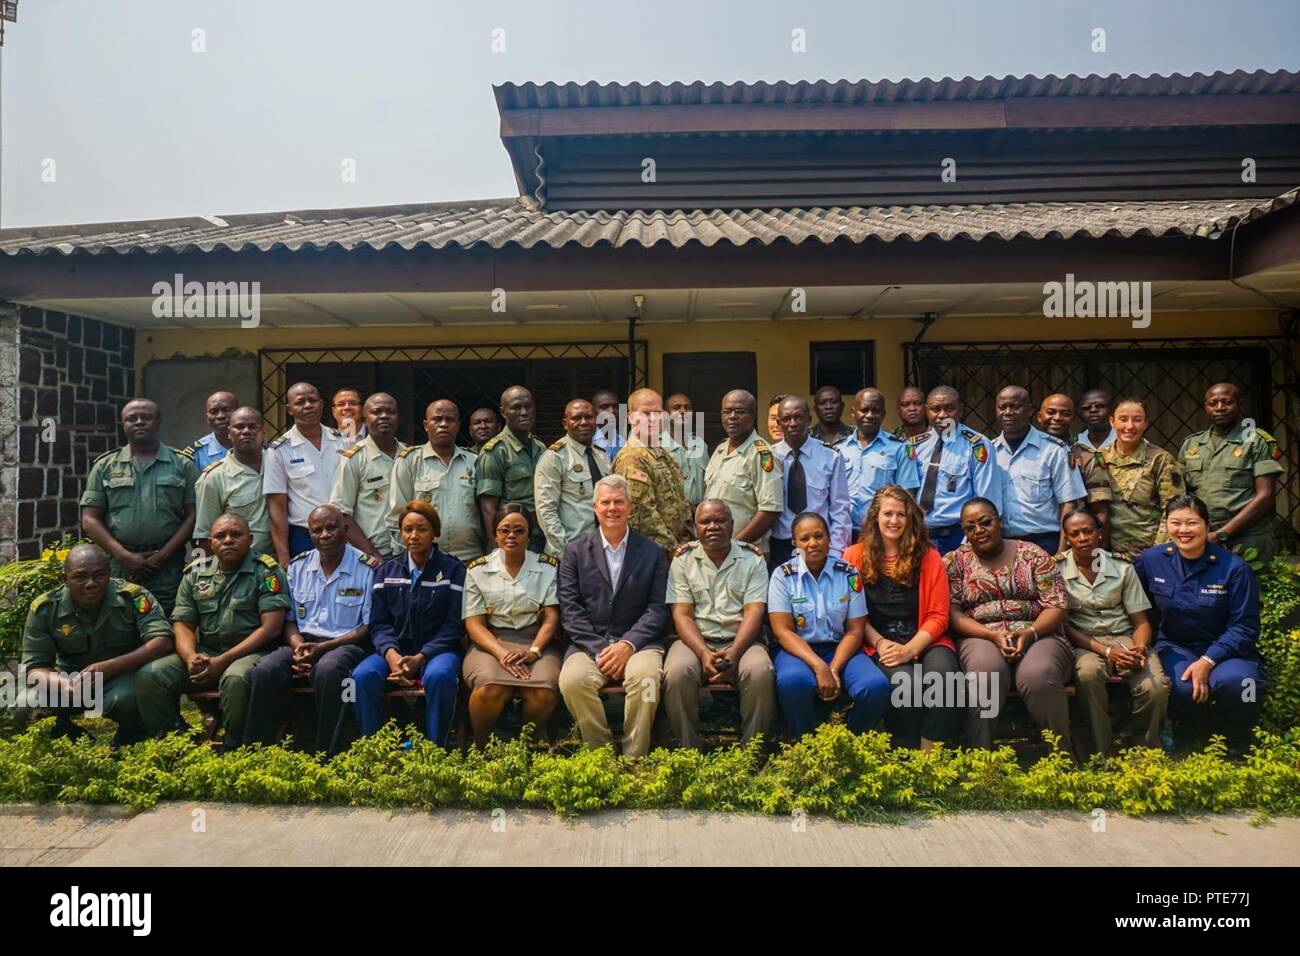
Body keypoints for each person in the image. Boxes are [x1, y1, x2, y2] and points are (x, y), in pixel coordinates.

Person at [135, 513, 290, 743]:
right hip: (207, 653)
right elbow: (182, 624)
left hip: (253, 653)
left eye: (236, 535)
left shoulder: (266, 572)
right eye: (220, 536)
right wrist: (190, 657)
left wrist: (223, 661)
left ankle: (234, 746)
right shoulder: (195, 574)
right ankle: (177, 742)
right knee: (150, 676)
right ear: (211, 543)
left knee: (235, 679)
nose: (228, 540)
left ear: (250, 539)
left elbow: (271, 628)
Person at [242, 505, 380, 752]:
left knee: (328, 671)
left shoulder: (367, 568)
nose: (324, 535)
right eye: (317, 530)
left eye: (331, 528)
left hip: (347, 643)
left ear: (345, 530)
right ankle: (256, 752)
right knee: (265, 671)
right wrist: (298, 647)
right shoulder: (298, 567)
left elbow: (368, 627)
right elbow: (290, 619)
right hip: (302, 642)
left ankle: (329, 752)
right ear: (310, 535)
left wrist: (323, 648)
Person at [1134, 496, 1264, 753]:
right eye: (1176, 523)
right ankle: (1193, 740)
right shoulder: (1151, 561)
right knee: (1182, 687)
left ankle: (1239, 741)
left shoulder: (1234, 568)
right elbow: (1138, 609)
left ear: (1207, 525)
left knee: (1243, 685)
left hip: (1226, 649)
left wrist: (1208, 660)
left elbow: (1246, 626)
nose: (1183, 530)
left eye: (1191, 523)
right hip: (1175, 645)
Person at [944, 498, 1074, 752]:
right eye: (970, 527)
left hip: (1039, 632)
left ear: (1000, 521)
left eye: (985, 522)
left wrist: (1030, 632)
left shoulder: (1032, 553)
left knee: (1037, 675)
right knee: (984, 675)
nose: (979, 530)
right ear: (964, 533)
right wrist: (991, 636)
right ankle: (982, 765)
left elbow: (1057, 604)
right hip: (980, 635)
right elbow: (952, 612)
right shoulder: (954, 562)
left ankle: (1062, 760)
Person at [557, 475, 669, 757]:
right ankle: (602, 754)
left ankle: (635, 758)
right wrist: (601, 650)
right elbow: (570, 610)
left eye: (619, 502)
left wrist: (626, 645)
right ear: (594, 508)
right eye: (605, 502)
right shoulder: (574, 552)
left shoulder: (653, 552)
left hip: (639, 644)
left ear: (630, 507)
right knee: (572, 682)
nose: (612, 508)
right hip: (590, 644)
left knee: (646, 682)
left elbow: (658, 608)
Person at [20, 544, 173, 746]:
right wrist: (65, 685)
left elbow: (161, 641)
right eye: (80, 577)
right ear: (64, 579)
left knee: (130, 699)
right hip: (71, 682)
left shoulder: (132, 597)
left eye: (99, 575)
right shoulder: (45, 608)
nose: (91, 583)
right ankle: (80, 745)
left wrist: (112, 667)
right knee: (23, 704)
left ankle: (129, 741)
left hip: (119, 678)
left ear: (109, 574)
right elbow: (34, 668)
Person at [843, 486, 960, 749]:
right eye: (888, 514)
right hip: (878, 641)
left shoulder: (929, 556)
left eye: (901, 514)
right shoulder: (853, 556)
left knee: (945, 680)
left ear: (911, 519)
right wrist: (881, 643)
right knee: (907, 685)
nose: (894, 521)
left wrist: (910, 649)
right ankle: (905, 751)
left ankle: (930, 757)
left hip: (926, 638)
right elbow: (852, 613)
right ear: (875, 516)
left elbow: (939, 615)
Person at [663, 500, 776, 748]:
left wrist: (734, 652)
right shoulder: (683, 560)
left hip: (742, 641)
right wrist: (703, 653)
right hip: (695, 641)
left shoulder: (752, 559)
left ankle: (752, 754)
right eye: (705, 522)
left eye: (720, 521)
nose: (712, 527)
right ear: (696, 528)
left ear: (732, 524)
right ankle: (688, 752)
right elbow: (682, 614)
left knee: (760, 672)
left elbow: (754, 611)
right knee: (676, 673)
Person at [352, 500, 465, 746]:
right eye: (407, 530)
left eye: (422, 529)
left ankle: (437, 749)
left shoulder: (453, 570)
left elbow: (453, 625)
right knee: (361, 677)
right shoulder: (387, 570)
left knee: (440, 676)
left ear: (435, 532)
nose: (414, 536)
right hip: (394, 651)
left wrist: (421, 657)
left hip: (436, 651)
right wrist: (392, 656)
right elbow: (379, 623)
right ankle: (376, 749)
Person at [769, 511, 889, 737]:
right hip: (797, 651)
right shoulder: (782, 576)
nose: (813, 543)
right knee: (793, 682)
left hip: (841, 647)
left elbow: (855, 629)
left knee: (875, 687)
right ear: (794, 543)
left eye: (819, 536)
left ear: (829, 538)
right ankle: (806, 745)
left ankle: (848, 744)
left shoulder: (847, 574)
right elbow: (783, 631)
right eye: (805, 538)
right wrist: (819, 666)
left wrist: (833, 667)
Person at [1058, 508, 1167, 756]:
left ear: (1099, 534)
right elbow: (1064, 626)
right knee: (1088, 674)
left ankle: (1144, 747)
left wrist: (1138, 650)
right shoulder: (1057, 571)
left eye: (1088, 531)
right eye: (1075, 534)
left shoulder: (1122, 568)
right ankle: (1101, 750)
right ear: (1067, 538)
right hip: (1084, 642)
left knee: (1156, 686)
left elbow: (1140, 621)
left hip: (1125, 637)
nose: (1083, 538)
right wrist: (1106, 651)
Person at [80, 398, 198, 616]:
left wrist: (162, 556)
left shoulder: (182, 464)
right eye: (132, 419)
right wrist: (124, 556)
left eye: (146, 417)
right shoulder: (105, 465)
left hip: (166, 567)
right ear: (123, 425)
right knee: (120, 625)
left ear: (159, 421)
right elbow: (89, 519)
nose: (139, 422)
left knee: (167, 625)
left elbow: (193, 516)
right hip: (119, 566)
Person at [461, 504, 562, 747]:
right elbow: (474, 625)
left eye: (519, 530)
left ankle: (520, 748)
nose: (511, 536)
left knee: (544, 692)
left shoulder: (547, 567)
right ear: (495, 535)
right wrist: (502, 653)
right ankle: (483, 748)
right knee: (491, 689)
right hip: (490, 642)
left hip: (536, 641)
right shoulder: (478, 569)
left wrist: (533, 652)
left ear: (529, 534)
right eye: (504, 530)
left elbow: (551, 618)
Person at [1177, 383, 1283, 563]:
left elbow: (1265, 497)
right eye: (1213, 403)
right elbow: (1180, 494)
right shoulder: (1191, 445)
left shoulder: (1255, 441)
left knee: (1250, 589)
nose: (1220, 408)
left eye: (1227, 402)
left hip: (1247, 540)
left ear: (1240, 404)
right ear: (1206, 407)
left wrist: (1221, 534)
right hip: (1203, 539)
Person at [901, 386, 1001, 555]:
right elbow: (905, 495)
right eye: (935, 409)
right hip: (920, 537)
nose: (942, 415)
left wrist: (968, 544)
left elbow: (985, 499)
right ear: (926, 410)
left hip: (959, 537)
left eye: (949, 408)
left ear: (960, 410)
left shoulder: (977, 445)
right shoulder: (913, 446)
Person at [1080, 397, 1184, 556]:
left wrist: (1159, 553)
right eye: (1123, 419)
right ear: (1112, 422)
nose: (1129, 426)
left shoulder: (1160, 459)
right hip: (1108, 554)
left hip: (1148, 552)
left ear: (1146, 423)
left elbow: (1174, 510)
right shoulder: (1099, 458)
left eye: (1137, 420)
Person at [992, 385, 1086, 555]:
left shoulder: (1054, 450)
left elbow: (1069, 503)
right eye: (1002, 407)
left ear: (1029, 410)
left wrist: (1061, 553)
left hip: (1045, 543)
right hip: (1003, 545)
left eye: (1015, 407)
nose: (1007, 412)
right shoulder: (989, 451)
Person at [389, 399, 484, 564]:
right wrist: (405, 562)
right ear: (426, 425)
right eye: (437, 419)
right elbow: (397, 516)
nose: (444, 424)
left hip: (470, 559)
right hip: (424, 560)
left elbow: (485, 513)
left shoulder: (474, 462)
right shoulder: (409, 461)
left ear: (458, 425)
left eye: (450, 420)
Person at [264, 382, 349, 565]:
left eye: (313, 400)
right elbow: (277, 507)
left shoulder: (343, 441)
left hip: (345, 532)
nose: (308, 405)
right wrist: (283, 556)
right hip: (305, 537)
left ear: (322, 404)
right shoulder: (279, 450)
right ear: (289, 409)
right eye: (300, 402)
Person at [769, 396, 851, 569]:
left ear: (809, 420)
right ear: (779, 422)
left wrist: (836, 553)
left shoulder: (830, 456)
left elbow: (840, 509)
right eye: (786, 419)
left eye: (798, 417)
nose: (792, 423)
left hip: (818, 545)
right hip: (780, 546)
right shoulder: (769, 457)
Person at [329, 392, 406, 561]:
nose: (384, 416)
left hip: (408, 553)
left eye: (390, 412)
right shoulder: (354, 459)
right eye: (377, 412)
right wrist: (373, 555)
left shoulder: (410, 456)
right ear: (364, 419)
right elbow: (342, 513)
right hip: (371, 556)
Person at [613, 388, 692, 552]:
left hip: (677, 548)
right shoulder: (632, 458)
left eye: (657, 413)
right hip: (654, 553)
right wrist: (674, 550)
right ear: (631, 417)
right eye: (646, 413)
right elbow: (643, 515)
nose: (653, 419)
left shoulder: (660, 451)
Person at [704, 389, 783, 551]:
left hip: (747, 552)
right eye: (727, 412)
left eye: (740, 411)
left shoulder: (762, 455)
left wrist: (734, 545)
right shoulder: (719, 450)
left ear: (753, 415)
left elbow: (770, 510)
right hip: (716, 551)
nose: (732, 416)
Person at [534, 398, 610, 556]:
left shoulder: (602, 455)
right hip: (571, 551)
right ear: (565, 423)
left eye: (589, 417)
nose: (584, 422)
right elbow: (546, 511)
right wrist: (567, 553)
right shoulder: (554, 457)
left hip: (602, 550)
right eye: (576, 418)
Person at [838, 388, 917, 542]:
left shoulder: (899, 448)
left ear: (883, 415)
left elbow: (907, 497)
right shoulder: (839, 449)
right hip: (843, 533)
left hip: (882, 534)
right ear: (854, 412)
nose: (869, 415)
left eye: (875, 411)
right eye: (864, 410)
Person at [476, 386, 548, 553]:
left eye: (528, 406)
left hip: (539, 538)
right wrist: (498, 551)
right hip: (510, 541)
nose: (524, 412)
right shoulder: (494, 452)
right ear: (503, 412)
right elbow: (488, 508)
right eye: (516, 408)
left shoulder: (540, 447)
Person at [194, 406, 271, 556]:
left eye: (252, 426)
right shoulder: (213, 478)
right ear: (229, 433)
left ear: (263, 431)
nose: (246, 431)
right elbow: (204, 537)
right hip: (241, 567)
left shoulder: (280, 464)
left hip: (281, 564)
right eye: (239, 427)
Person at [663, 392, 708, 508]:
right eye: (677, 408)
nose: (683, 411)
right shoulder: (658, 446)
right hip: (672, 518)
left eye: (687, 408)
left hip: (701, 518)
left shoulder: (700, 445)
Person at [180, 391, 237, 471]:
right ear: (207, 418)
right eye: (213, 411)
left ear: (238, 412)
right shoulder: (195, 454)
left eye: (226, 409)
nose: (220, 416)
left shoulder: (255, 446)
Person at [591, 388, 626, 458]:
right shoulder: (587, 441)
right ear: (593, 412)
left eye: (616, 407)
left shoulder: (624, 442)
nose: (612, 411)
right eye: (604, 407)